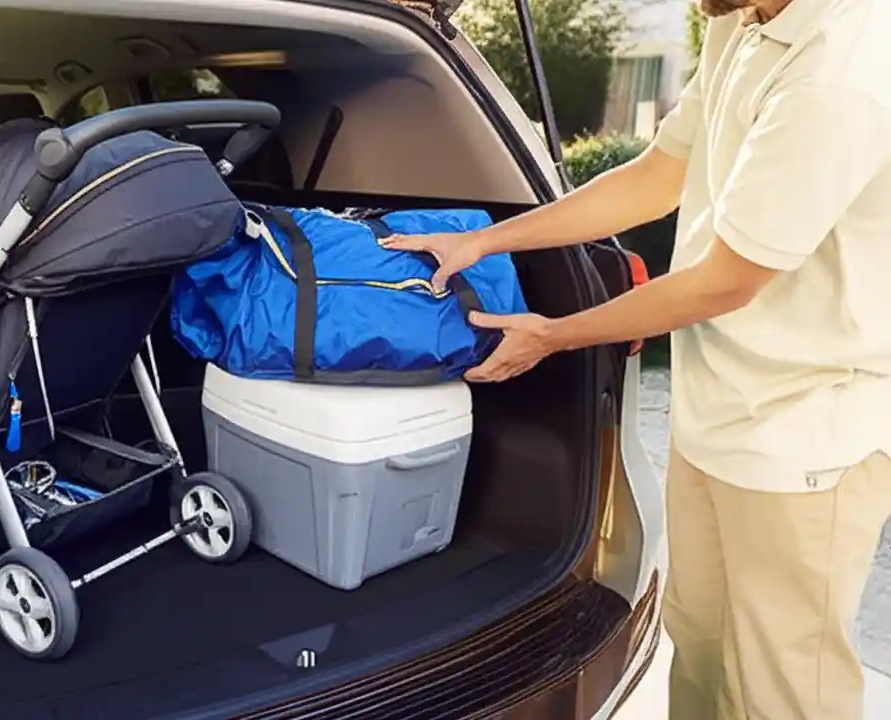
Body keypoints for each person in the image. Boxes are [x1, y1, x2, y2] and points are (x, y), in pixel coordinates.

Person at [382, 0, 891, 717]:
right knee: (701, 655)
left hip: (806, 439)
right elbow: (656, 176)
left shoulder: (841, 72)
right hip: (720, 412)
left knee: (782, 688)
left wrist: (552, 334)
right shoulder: (740, 22)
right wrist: (485, 241)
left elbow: (726, 280)